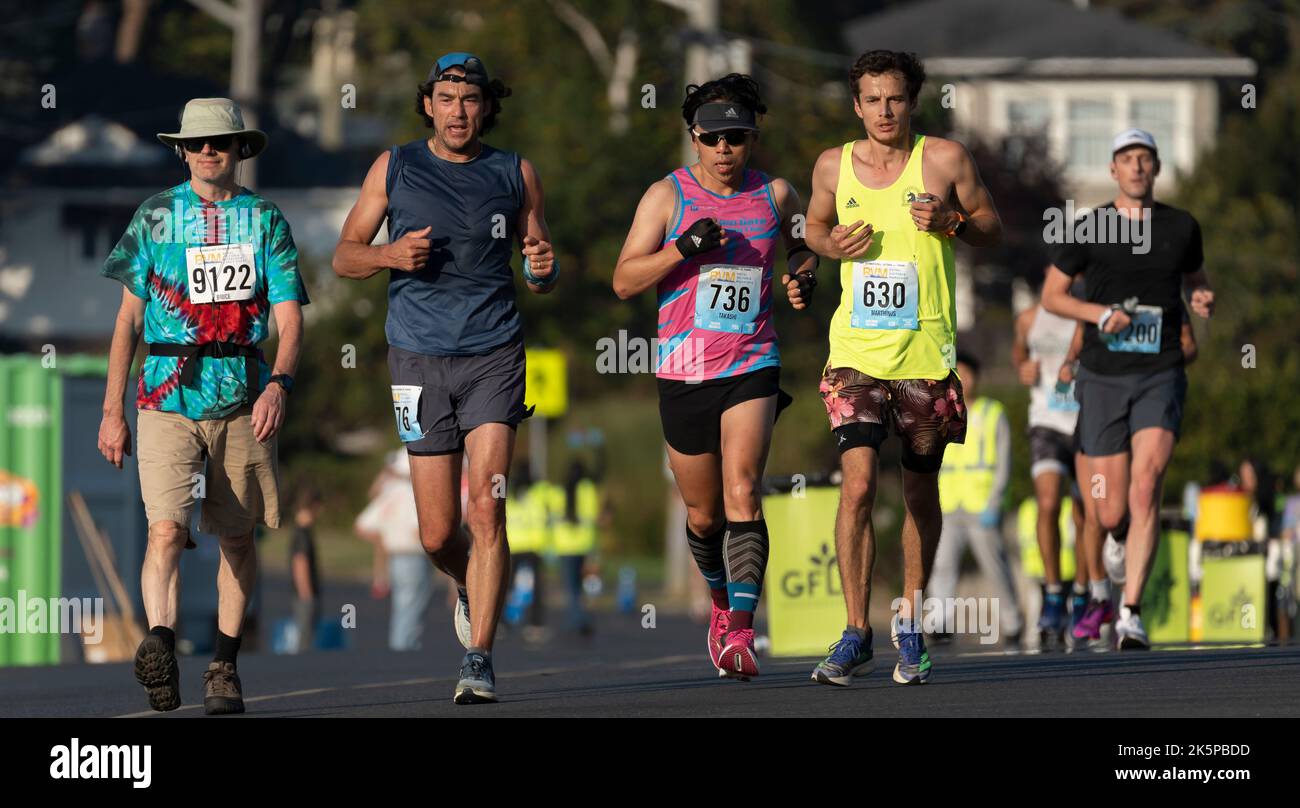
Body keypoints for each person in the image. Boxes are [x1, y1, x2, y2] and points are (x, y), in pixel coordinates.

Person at [333, 53, 556, 703]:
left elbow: (541, 264)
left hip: (494, 357)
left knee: (487, 506)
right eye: (447, 98)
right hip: (416, 361)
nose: (459, 111)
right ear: (427, 104)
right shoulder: (395, 166)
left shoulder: (514, 172)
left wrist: (542, 267)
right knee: (436, 533)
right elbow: (345, 255)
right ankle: (470, 581)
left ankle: (479, 657)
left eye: (471, 99)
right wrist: (388, 255)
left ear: (487, 106)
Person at [97, 98, 309, 714]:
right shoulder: (155, 215)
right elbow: (128, 320)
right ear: (182, 151)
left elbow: (290, 323)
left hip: (243, 395)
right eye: (196, 144)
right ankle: (161, 643)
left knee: (238, 540)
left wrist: (280, 384)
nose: (207, 151)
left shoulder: (265, 220)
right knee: (165, 529)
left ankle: (223, 664)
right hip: (164, 396)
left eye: (220, 142)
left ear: (241, 148)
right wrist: (112, 410)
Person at [804, 50, 1001, 686]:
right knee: (858, 483)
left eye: (895, 99)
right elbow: (811, 224)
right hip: (855, 352)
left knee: (919, 490)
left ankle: (911, 622)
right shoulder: (834, 164)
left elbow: (992, 227)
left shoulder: (945, 159)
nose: (884, 111)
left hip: (926, 353)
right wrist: (829, 244)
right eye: (872, 100)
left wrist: (954, 221)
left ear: (911, 101)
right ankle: (856, 630)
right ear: (856, 105)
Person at [613, 73, 816, 679]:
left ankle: (744, 635)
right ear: (694, 139)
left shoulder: (778, 195)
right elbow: (623, 280)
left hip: (753, 363)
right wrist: (682, 249)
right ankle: (721, 605)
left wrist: (804, 277)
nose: (726, 150)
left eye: (738, 138)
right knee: (703, 516)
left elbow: (804, 248)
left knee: (743, 491)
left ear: (752, 140)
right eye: (714, 139)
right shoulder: (665, 197)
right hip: (683, 371)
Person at [1042, 128, 1215, 650]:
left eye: (1145, 158)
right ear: (1114, 170)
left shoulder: (1181, 227)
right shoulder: (1088, 229)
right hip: (1102, 377)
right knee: (1109, 510)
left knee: (1148, 488)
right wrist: (1099, 315)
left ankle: (1131, 613)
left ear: (1156, 168)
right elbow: (1052, 296)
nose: (1137, 166)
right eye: (1127, 159)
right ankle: (1116, 541)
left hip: (1161, 372)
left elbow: (1196, 278)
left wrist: (1202, 295)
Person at [1012, 283, 1087, 650]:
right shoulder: (1028, 318)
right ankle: (1055, 593)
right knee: (1048, 504)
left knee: (1087, 514)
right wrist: (1023, 368)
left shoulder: (1086, 313)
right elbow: (1018, 354)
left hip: (1086, 421)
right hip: (1046, 423)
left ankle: (1085, 594)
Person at [930, 353, 1023, 648]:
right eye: (957, 375)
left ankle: (1012, 620)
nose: (963, 381)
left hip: (981, 504)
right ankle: (939, 623)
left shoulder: (993, 413)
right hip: (948, 502)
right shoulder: (941, 412)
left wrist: (995, 502)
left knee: (994, 565)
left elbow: (1004, 461)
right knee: (942, 564)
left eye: (967, 374)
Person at [355, 451, 432, 651]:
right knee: (413, 605)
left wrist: (386, 538)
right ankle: (405, 648)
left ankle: (400, 646)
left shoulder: (389, 493)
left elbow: (362, 525)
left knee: (402, 605)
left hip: (395, 557)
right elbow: (420, 530)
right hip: (413, 555)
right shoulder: (414, 494)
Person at [289, 486, 323, 653]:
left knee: (306, 635)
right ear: (313, 506)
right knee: (305, 637)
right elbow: (300, 562)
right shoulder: (302, 533)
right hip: (305, 594)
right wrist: (306, 593)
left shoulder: (300, 531)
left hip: (303, 593)